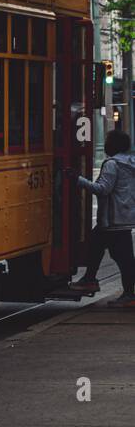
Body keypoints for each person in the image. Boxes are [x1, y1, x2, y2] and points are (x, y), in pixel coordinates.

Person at [72, 129, 135, 305]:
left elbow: (102, 189)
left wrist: (78, 180)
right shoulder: (130, 162)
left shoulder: (112, 164)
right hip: (122, 218)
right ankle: (91, 279)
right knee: (115, 254)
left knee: (114, 254)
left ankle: (93, 281)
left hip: (111, 220)